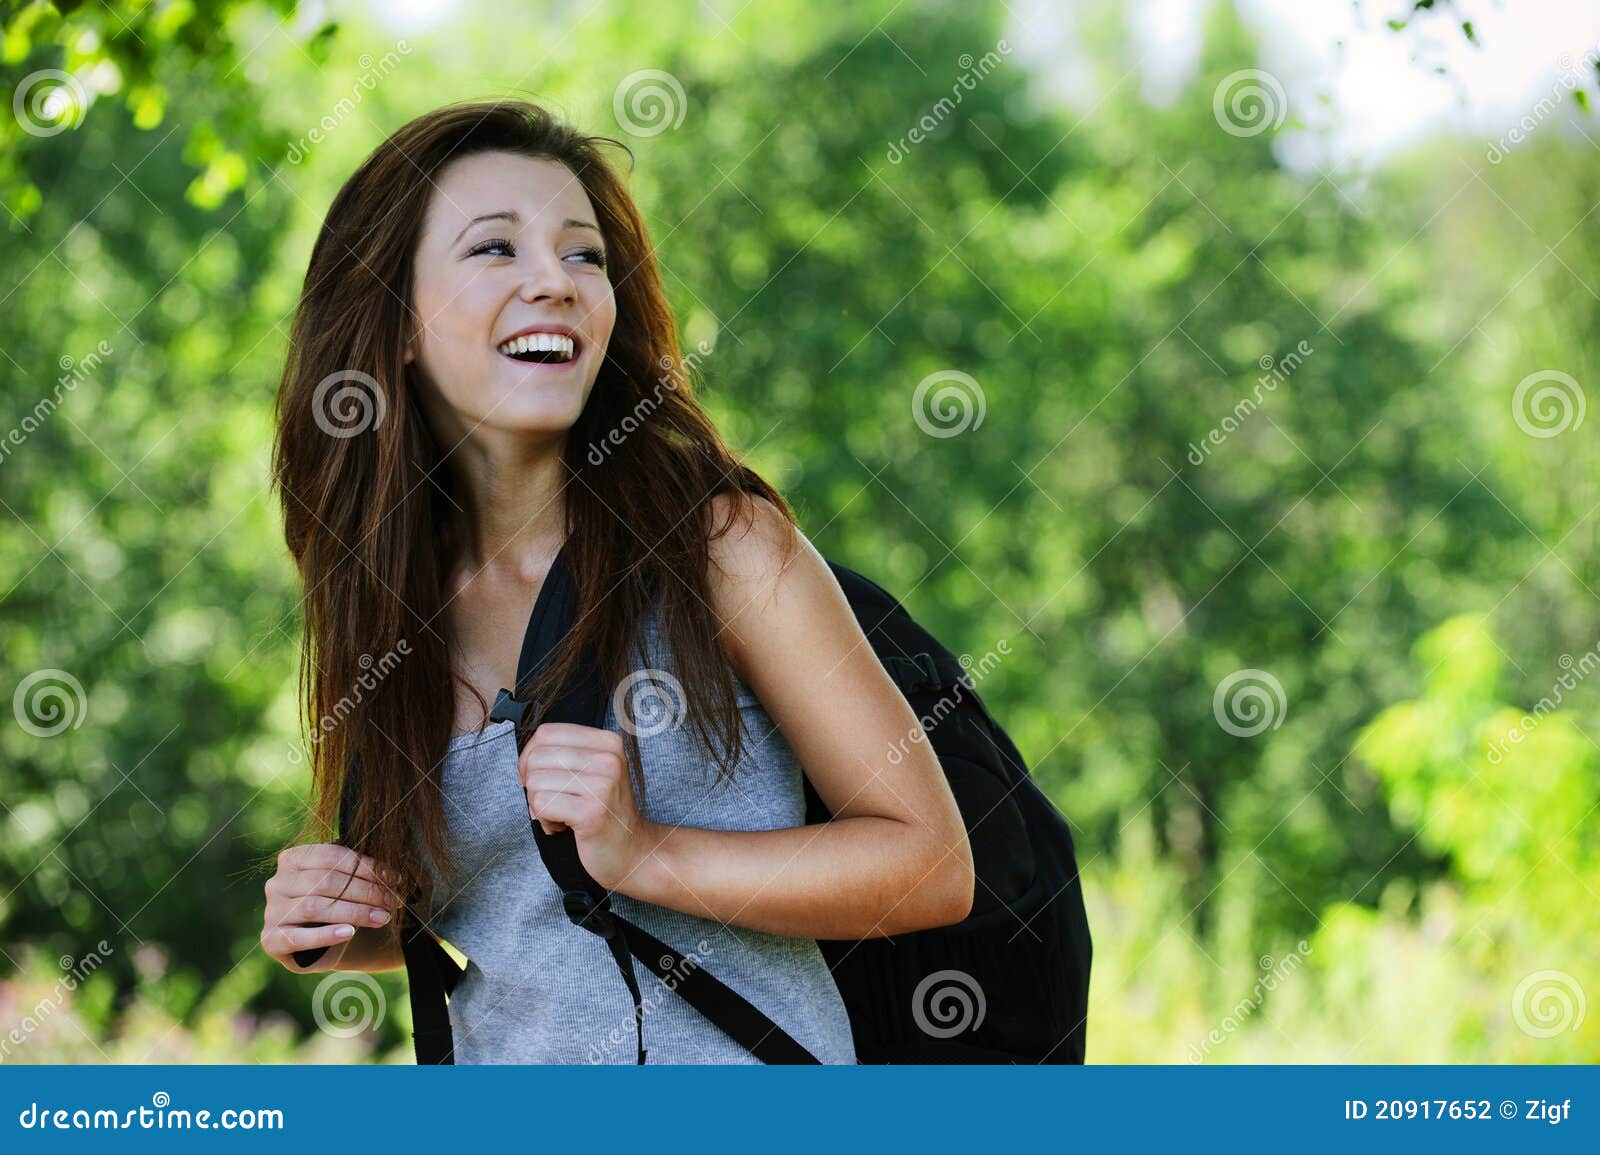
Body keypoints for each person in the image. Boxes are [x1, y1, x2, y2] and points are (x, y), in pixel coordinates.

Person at [259, 99, 974, 1063]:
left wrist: (648, 854)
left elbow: (928, 863)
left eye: (584, 254)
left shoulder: (719, 546)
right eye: (495, 250)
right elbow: (510, 906)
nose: (556, 282)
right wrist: (349, 928)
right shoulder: (385, 604)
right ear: (396, 325)